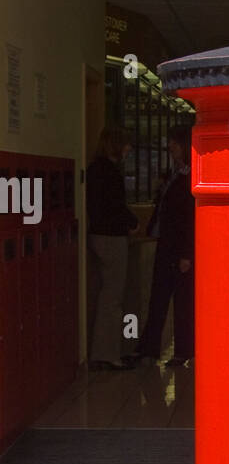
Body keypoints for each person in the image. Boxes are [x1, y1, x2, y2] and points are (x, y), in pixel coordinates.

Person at [136, 127, 194, 366]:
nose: (170, 148)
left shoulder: (189, 178)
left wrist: (187, 253)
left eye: (174, 144)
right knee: (158, 298)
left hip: (178, 248)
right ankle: (150, 349)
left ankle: (183, 352)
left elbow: (190, 219)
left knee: (181, 302)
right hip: (166, 244)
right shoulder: (173, 175)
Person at [86, 127, 139, 370]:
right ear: (117, 144)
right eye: (126, 145)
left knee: (104, 293)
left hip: (97, 235)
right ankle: (107, 353)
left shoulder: (94, 169)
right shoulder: (111, 173)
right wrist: (133, 223)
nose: (128, 149)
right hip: (113, 238)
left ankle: (101, 351)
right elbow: (117, 206)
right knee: (113, 297)